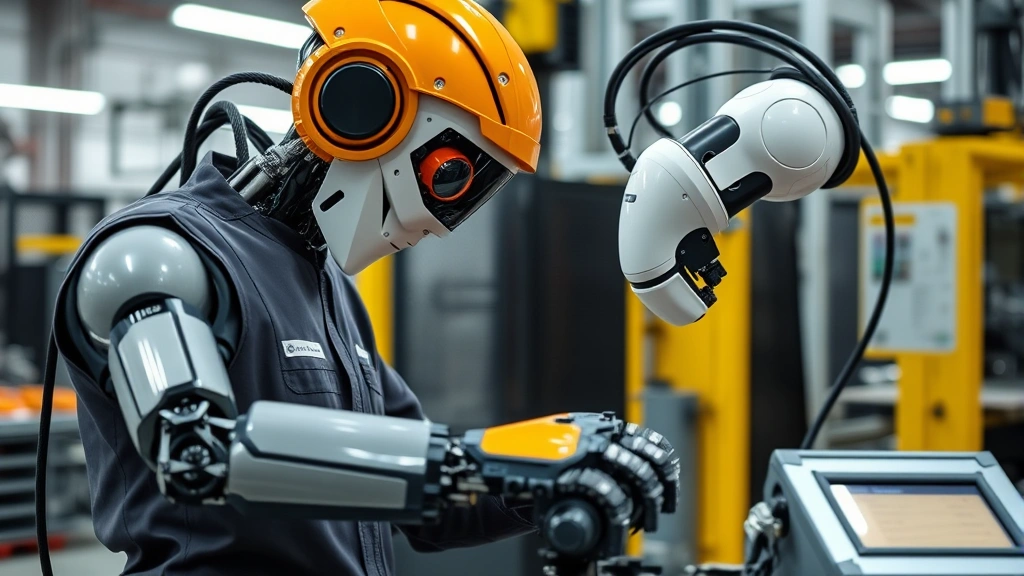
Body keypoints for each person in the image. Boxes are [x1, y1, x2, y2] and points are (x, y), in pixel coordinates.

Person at [51, 1, 679, 575]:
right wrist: (479, 464)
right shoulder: (156, 255)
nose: (439, 220)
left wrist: (567, 456)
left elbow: (436, 501)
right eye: (451, 176)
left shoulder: (322, 283)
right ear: (364, 109)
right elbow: (194, 450)